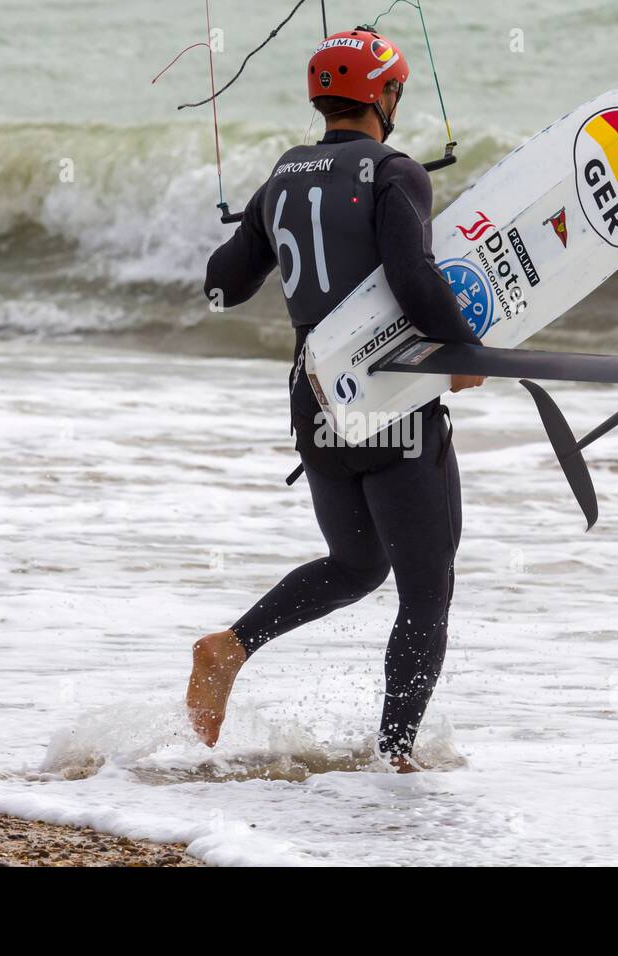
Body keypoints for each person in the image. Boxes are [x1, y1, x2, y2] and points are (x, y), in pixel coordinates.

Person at [186, 27, 484, 772]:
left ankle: (231, 647)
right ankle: (396, 756)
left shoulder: (281, 178)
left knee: (356, 565)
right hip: (390, 405)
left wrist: (261, 226)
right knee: (427, 591)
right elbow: (414, 279)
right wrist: (464, 350)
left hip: (316, 403)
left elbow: (223, 285)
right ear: (383, 94)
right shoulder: (394, 172)